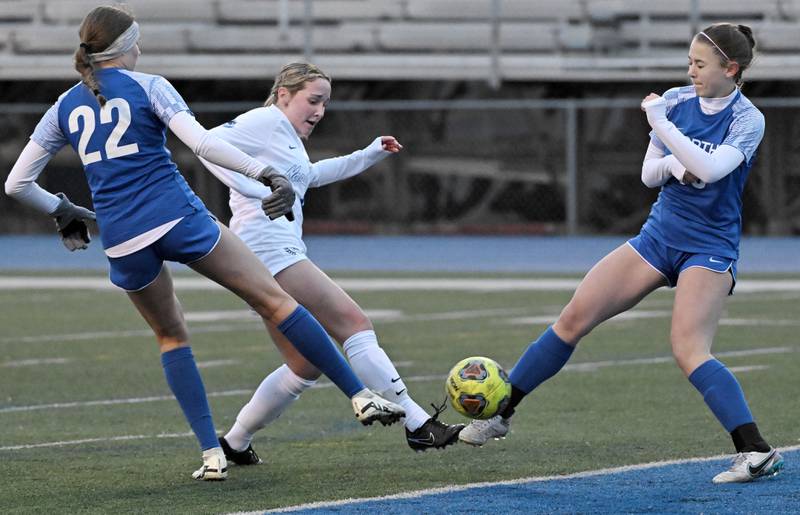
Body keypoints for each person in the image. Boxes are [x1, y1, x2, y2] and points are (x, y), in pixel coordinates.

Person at [3, 5, 405, 482]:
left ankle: (211, 455)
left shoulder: (63, 106)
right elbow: (203, 145)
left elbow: (16, 185)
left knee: (171, 336)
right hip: (176, 216)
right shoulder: (150, 85)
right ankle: (358, 394)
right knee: (275, 301)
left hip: (122, 237)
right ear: (127, 45)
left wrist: (62, 210)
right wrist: (264, 172)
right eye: (137, 40)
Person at [458, 23, 784, 484]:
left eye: (700, 65)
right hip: (657, 237)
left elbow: (711, 170)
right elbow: (650, 175)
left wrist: (663, 127)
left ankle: (755, 450)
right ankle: (501, 414)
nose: (690, 72)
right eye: (689, 62)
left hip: (709, 247)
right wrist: (673, 159)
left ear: (730, 69)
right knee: (572, 319)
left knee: (689, 348)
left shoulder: (748, 118)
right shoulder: (674, 100)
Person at [197, 62, 464, 462]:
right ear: (284, 95)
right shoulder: (266, 120)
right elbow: (206, 143)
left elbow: (311, 175)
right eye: (314, 100)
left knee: (303, 365)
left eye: (325, 103)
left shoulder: (283, 135)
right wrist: (254, 185)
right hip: (268, 252)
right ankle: (417, 423)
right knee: (353, 324)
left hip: (263, 256)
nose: (320, 111)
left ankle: (235, 442)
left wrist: (368, 154)